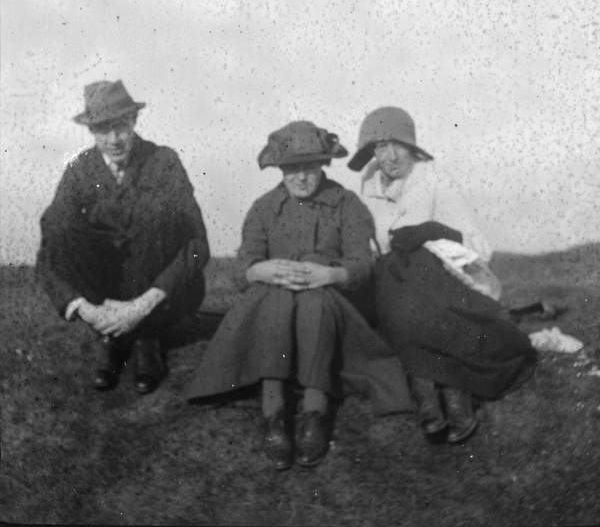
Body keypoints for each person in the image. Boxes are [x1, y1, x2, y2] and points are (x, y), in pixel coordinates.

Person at [186, 120, 411, 470]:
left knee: (314, 302)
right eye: (292, 169)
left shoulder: (347, 204)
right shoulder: (264, 208)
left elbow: (363, 262)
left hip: (329, 299)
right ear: (280, 169)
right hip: (272, 300)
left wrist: (331, 274)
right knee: (276, 299)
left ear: (323, 165)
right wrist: (262, 270)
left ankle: (314, 412)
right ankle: (273, 412)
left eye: (309, 168)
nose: (302, 178)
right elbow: (244, 262)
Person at [348, 106, 536, 444]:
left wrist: (432, 230)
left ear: (412, 146)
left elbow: (479, 247)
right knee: (389, 273)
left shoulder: (431, 178)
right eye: (379, 147)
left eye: (397, 145)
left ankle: (444, 391)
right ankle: (434, 391)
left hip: (440, 284)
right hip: (394, 291)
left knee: (413, 270)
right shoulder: (369, 184)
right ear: (371, 152)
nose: (389, 156)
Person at [36, 80, 210, 394]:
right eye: (103, 130)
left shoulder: (164, 162)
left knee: (158, 217)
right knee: (58, 223)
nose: (114, 140)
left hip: (157, 290)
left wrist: (139, 309)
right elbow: (51, 249)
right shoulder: (79, 169)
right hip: (104, 291)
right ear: (91, 131)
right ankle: (111, 334)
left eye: (121, 128)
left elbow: (197, 243)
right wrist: (89, 310)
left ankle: (145, 338)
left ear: (134, 122)